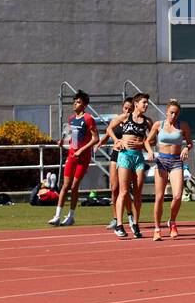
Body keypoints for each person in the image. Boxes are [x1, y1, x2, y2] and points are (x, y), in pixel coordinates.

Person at [49, 90, 100, 227]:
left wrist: (82, 150)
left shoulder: (89, 119)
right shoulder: (71, 119)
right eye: (75, 101)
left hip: (83, 158)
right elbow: (72, 137)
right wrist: (63, 142)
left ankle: (71, 216)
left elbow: (96, 138)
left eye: (78, 102)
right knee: (65, 186)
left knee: (74, 187)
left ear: (84, 105)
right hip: (72, 156)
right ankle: (57, 216)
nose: (75, 104)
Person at [108, 93, 153, 238]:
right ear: (136, 103)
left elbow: (153, 141)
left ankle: (135, 224)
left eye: (147, 103)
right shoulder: (125, 117)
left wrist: (141, 144)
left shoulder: (147, 121)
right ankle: (120, 225)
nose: (146, 105)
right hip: (125, 156)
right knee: (124, 191)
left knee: (138, 192)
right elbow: (109, 129)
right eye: (144, 103)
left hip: (138, 157)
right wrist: (117, 140)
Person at [148, 99, 193, 240]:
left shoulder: (183, 126)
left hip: (176, 162)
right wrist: (150, 152)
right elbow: (147, 141)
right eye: (171, 113)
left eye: (176, 113)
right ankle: (157, 229)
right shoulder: (158, 125)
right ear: (166, 112)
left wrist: (186, 148)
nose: (173, 116)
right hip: (161, 161)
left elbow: (190, 143)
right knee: (159, 197)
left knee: (178, 196)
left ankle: (172, 221)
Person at [104, 97, 133, 230]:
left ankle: (130, 215)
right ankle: (115, 218)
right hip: (115, 155)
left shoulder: (135, 122)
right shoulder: (118, 119)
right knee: (114, 188)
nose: (127, 110)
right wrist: (112, 140)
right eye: (125, 108)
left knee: (124, 189)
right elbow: (109, 130)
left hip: (127, 156)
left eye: (130, 108)